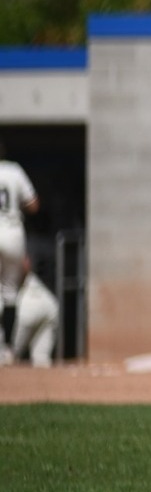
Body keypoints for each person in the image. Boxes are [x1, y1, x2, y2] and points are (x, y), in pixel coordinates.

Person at [0, 140, 53, 367]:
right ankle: (7, 351)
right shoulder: (14, 169)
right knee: (9, 293)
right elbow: (33, 205)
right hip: (12, 232)